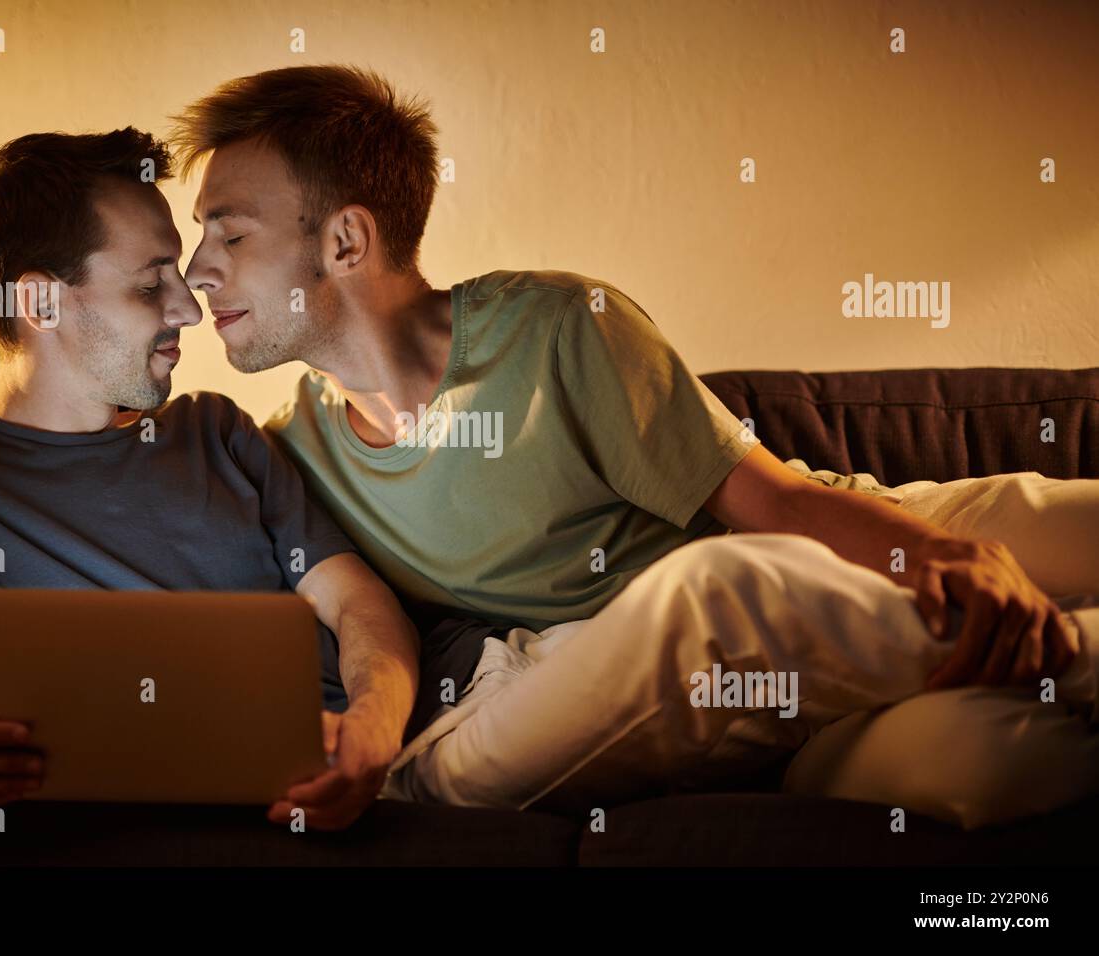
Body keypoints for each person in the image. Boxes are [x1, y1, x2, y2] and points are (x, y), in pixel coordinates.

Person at [170, 64, 1099, 825]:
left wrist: (941, 556)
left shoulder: (558, 325)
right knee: (992, 766)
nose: (197, 268)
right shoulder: (292, 456)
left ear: (344, 240)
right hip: (730, 687)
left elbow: (773, 505)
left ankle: (1024, 630)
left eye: (230, 232)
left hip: (837, 533)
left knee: (1062, 525)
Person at [0, 128, 442, 831]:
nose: (190, 310)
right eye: (151, 284)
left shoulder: (215, 433)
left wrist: (373, 732)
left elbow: (357, 606)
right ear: (38, 305)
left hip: (334, 805)